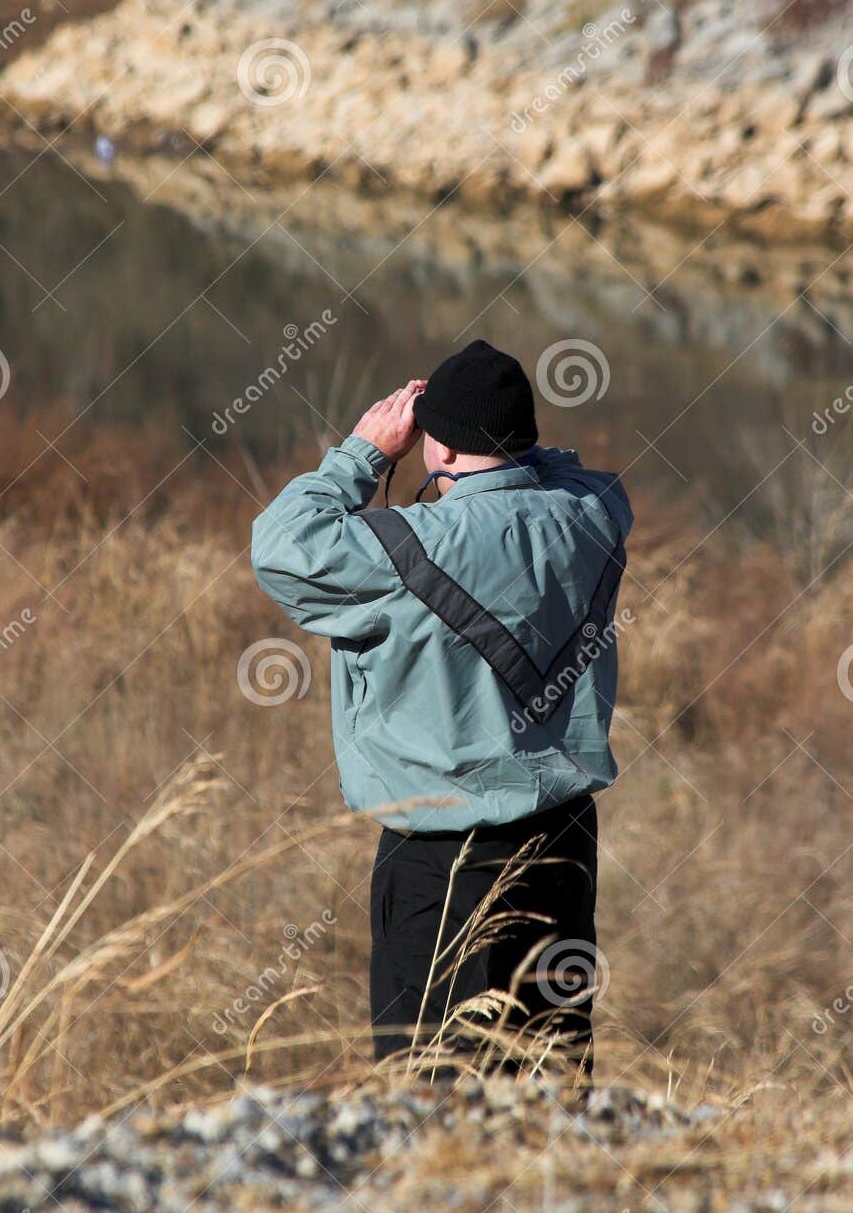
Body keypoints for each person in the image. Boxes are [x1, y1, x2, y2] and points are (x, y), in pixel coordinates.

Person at [250, 339, 633, 1080]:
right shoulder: (595, 513)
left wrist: (361, 454)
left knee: (434, 1092)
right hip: (563, 849)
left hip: (443, 860)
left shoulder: (408, 547)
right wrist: (494, 446)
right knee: (551, 1080)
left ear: (440, 446)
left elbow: (281, 544)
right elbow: (560, 466)